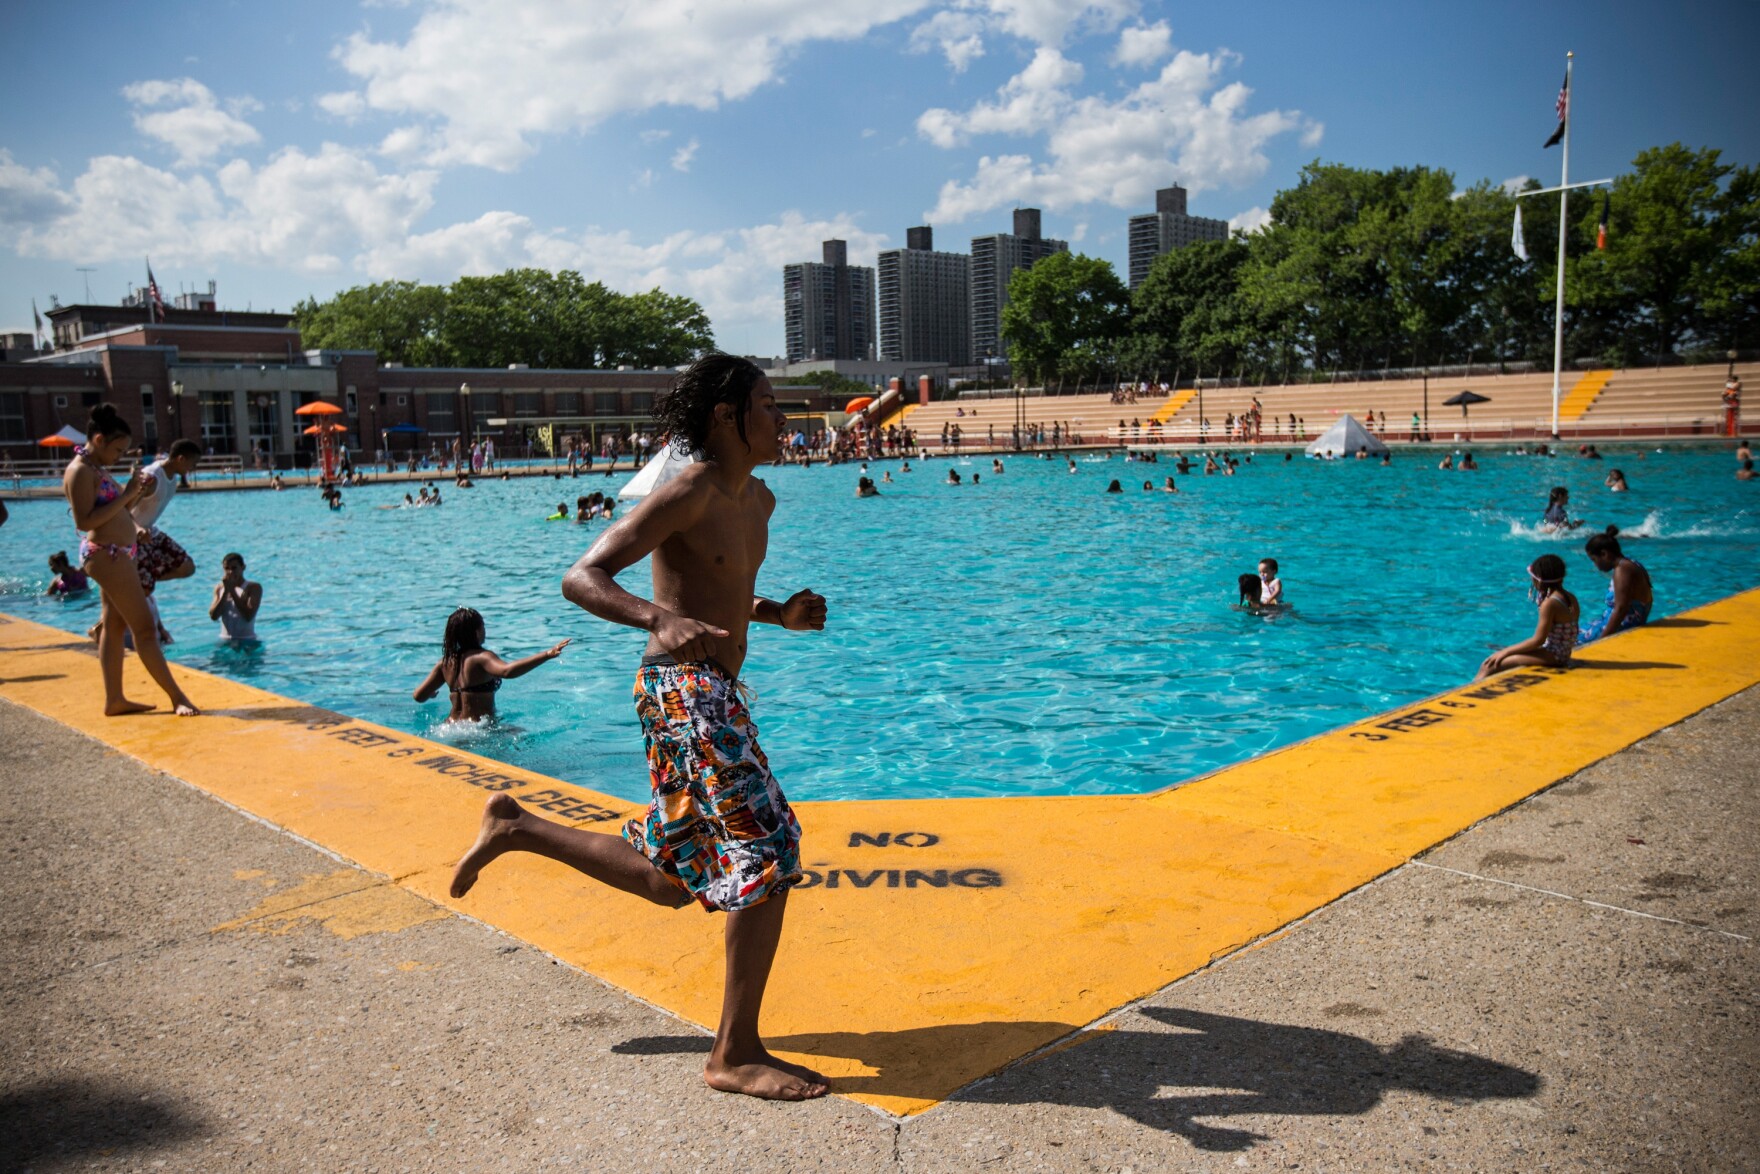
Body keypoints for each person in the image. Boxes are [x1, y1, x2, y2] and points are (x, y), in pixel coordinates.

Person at [448, 354, 829, 1102]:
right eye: (768, 403)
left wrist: (777, 614)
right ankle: (733, 1052)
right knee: (767, 843)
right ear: (727, 416)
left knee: (671, 876)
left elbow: (721, 590)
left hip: (715, 689)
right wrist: (658, 616)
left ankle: (515, 829)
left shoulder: (761, 501)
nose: (783, 417)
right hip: (680, 690)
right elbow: (582, 575)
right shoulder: (685, 490)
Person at [61, 404, 199, 716]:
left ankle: (115, 700)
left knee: (112, 625)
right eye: (118, 449)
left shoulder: (94, 467)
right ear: (99, 440)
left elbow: (117, 511)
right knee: (146, 630)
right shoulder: (80, 471)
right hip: (106, 555)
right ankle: (177, 697)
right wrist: (126, 497)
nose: (119, 456)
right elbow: (85, 521)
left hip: (118, 553)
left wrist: (135, 491)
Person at [413, 607, 569, 721]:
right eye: (483, 627)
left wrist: (431, 692)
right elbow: (507, 671)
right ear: (476, 631)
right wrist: (547, 654)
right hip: (477, 729)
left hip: (450, 726)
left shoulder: (445, 663)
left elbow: (418, 696)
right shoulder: (481, 657)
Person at [1477, 555, 1579, 679]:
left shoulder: (1550, 603)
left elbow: (1538, 640)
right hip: (1562, 653)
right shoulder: (1570, 597)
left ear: (1538, 580)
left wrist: (1505, 651)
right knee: (1501, 655)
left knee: (1489, 665)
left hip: (1555, 656)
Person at [1577, 527, 1652, 643]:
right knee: (1572, 632)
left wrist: (1602, 640)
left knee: (1571, 641)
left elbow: (1621, 609)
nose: (1595, 565)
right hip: (1622, 622)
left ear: (1604, 554)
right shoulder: (1630, 563)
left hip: (1624, 626)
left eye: (1594, 560)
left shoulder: (1622, 570)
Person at [208, 553, 262, 642]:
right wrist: (226, 592)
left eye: (234, 568)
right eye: (227, 568)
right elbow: (213, 616)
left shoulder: (253, 588)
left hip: (247, 640)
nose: (230, 572)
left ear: (243, 567)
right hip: (225, 640)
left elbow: (248, 616)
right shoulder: (219, 588)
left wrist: (232, 590)